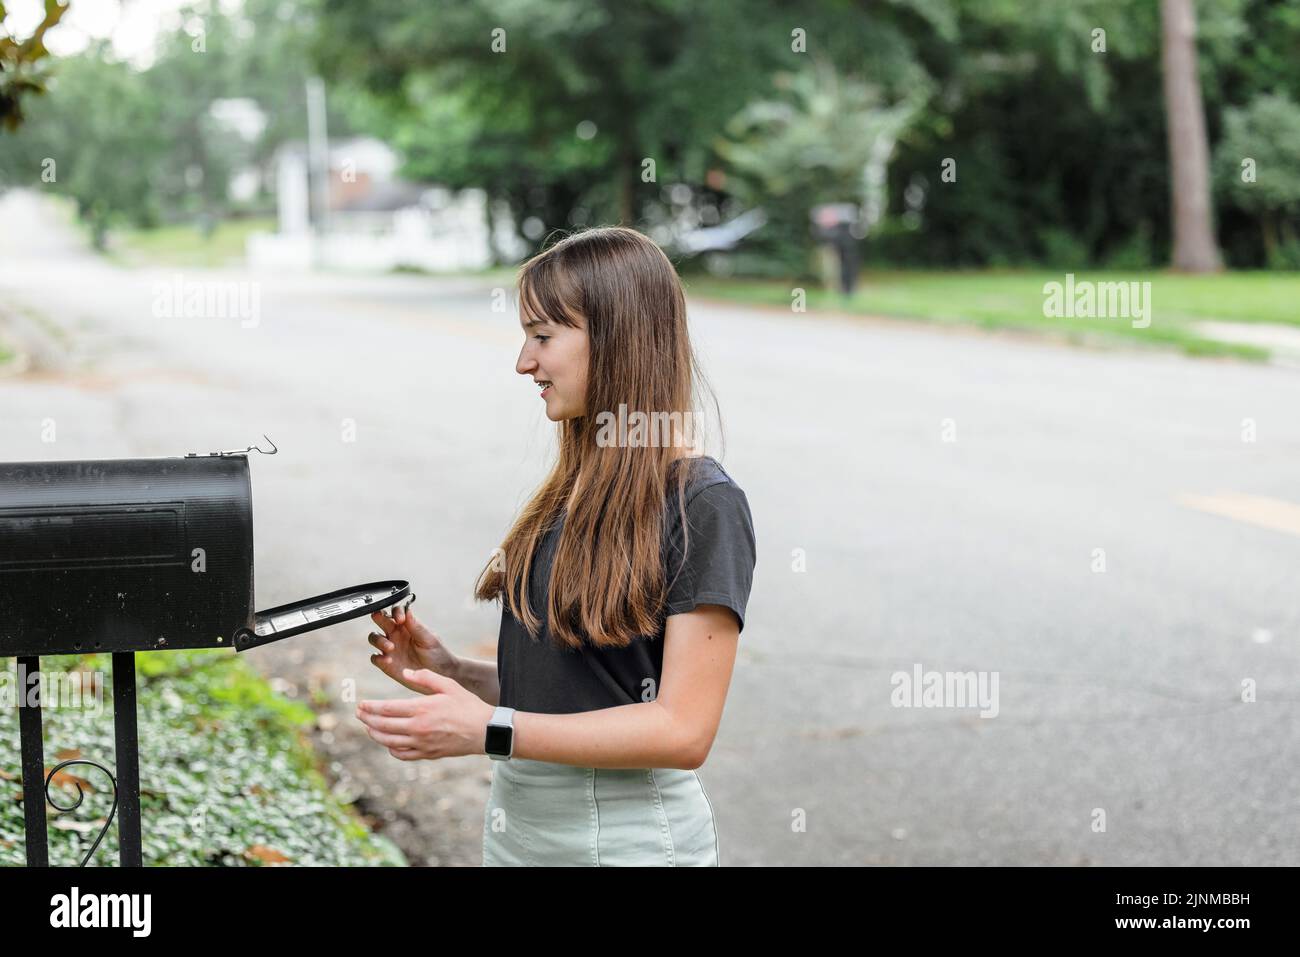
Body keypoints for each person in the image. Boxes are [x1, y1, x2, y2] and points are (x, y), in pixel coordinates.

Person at [356, 225, 757, 866]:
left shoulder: (702, 503)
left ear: (620, 341)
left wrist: (490, 730)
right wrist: (456, 674)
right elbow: (588, 692)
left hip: (624, 845)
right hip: (523, 832)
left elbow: (682, 729)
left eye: (542, 337)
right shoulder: (574, 488)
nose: (524, 362)